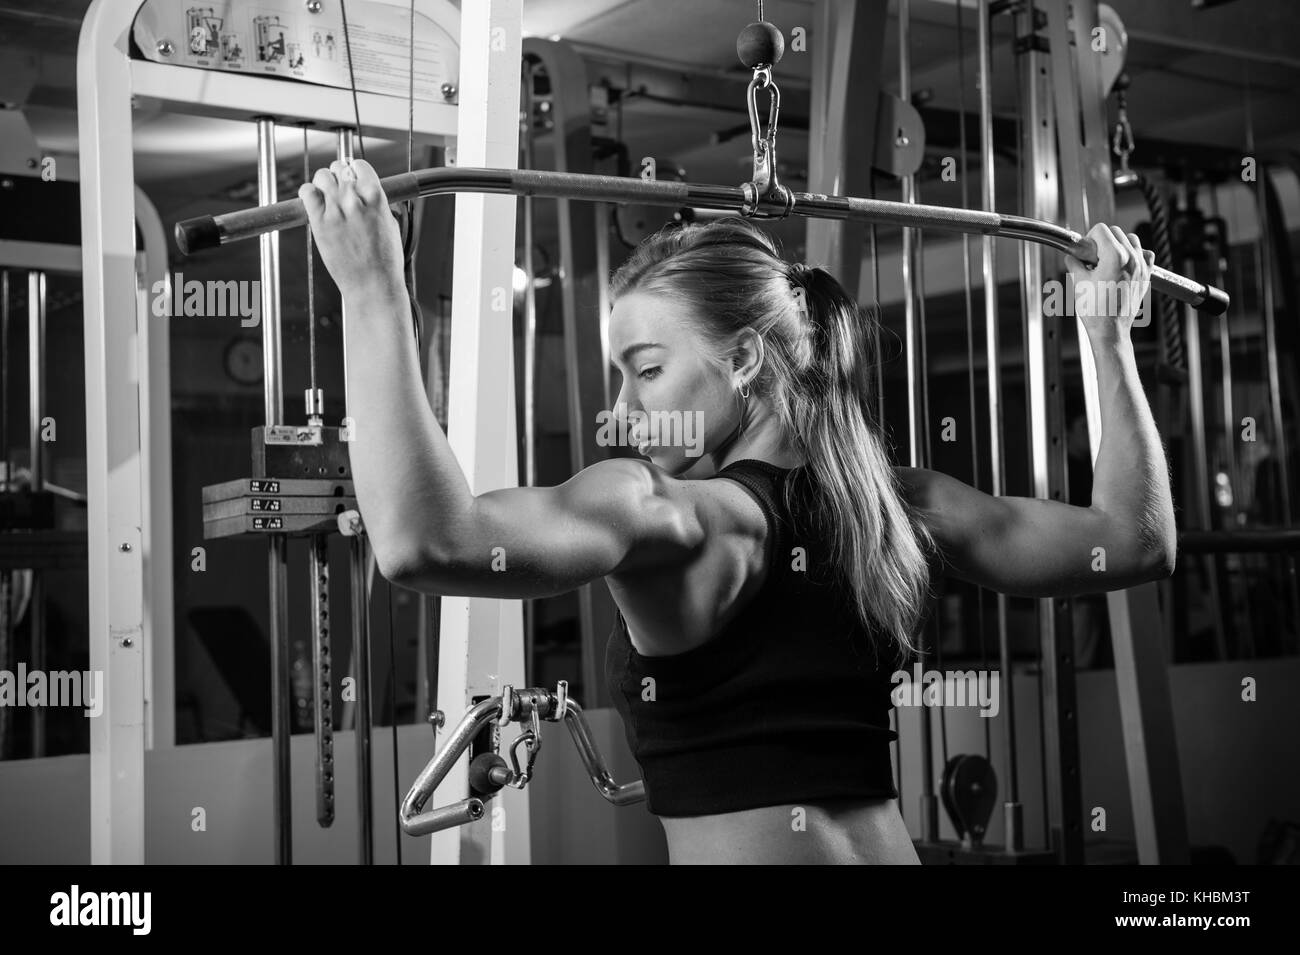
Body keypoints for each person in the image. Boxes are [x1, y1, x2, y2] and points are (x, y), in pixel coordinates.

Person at [299, 158, 1176, 864]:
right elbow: (1133, 543)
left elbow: (425, 543)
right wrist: (1108, 338)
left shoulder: (665, 511)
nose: (626, 406)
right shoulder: (903, 506)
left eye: (646, 369)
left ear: (747, 357)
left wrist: (373, 290)